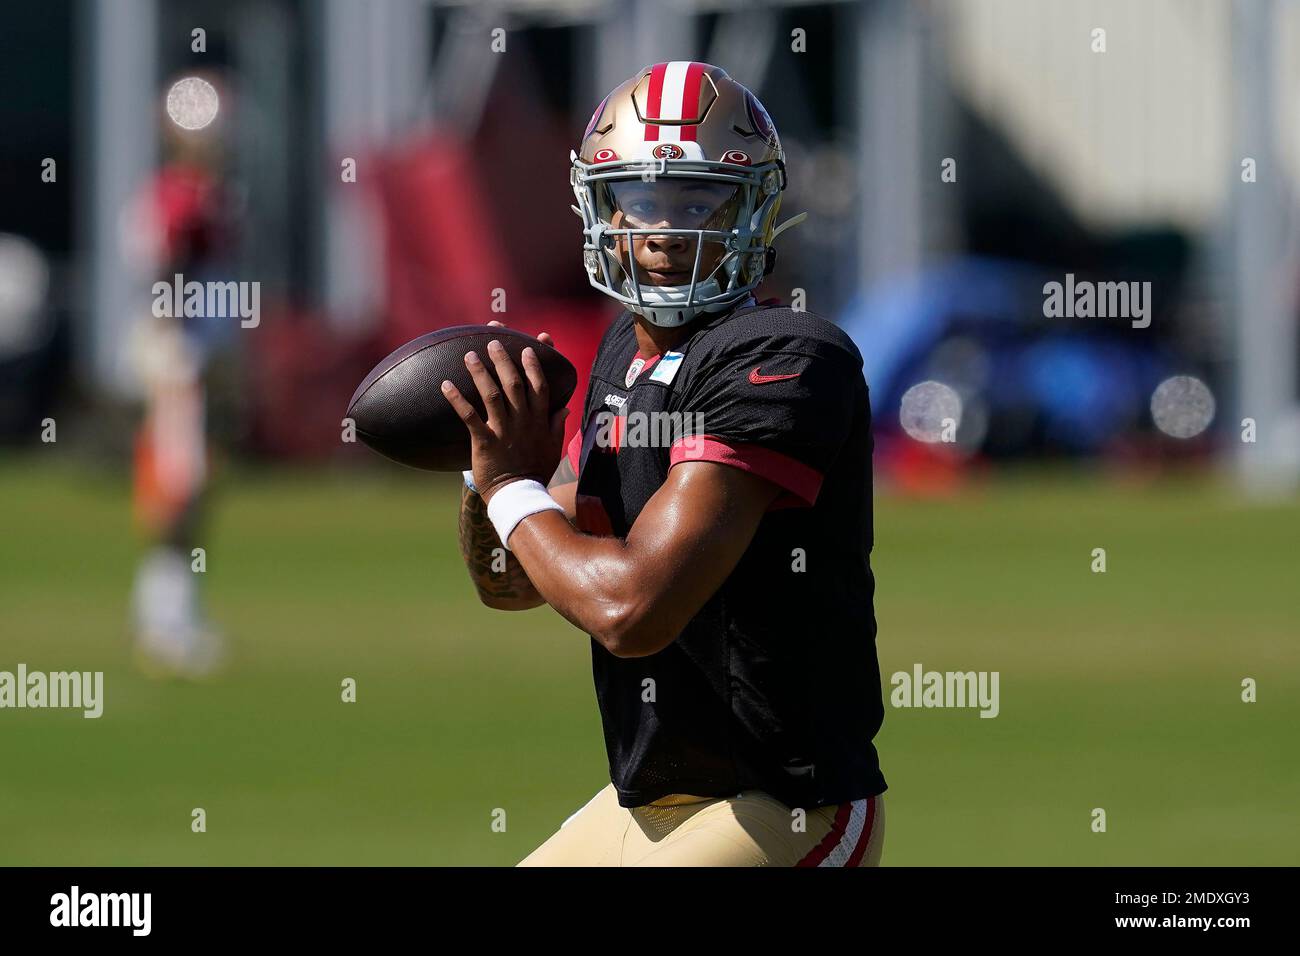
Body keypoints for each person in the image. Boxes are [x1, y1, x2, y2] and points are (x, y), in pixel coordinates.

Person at [447, 62, 885, 866]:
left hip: (784, 803)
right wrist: (487, 473)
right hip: (648, 801)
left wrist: (515, 487)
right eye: (643, 199)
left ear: (755, 209)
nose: (663, 229)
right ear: (599, 206)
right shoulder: (621, 351)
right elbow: (513, 581)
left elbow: (629, 610)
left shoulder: (786, 356)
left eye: (699, 198)